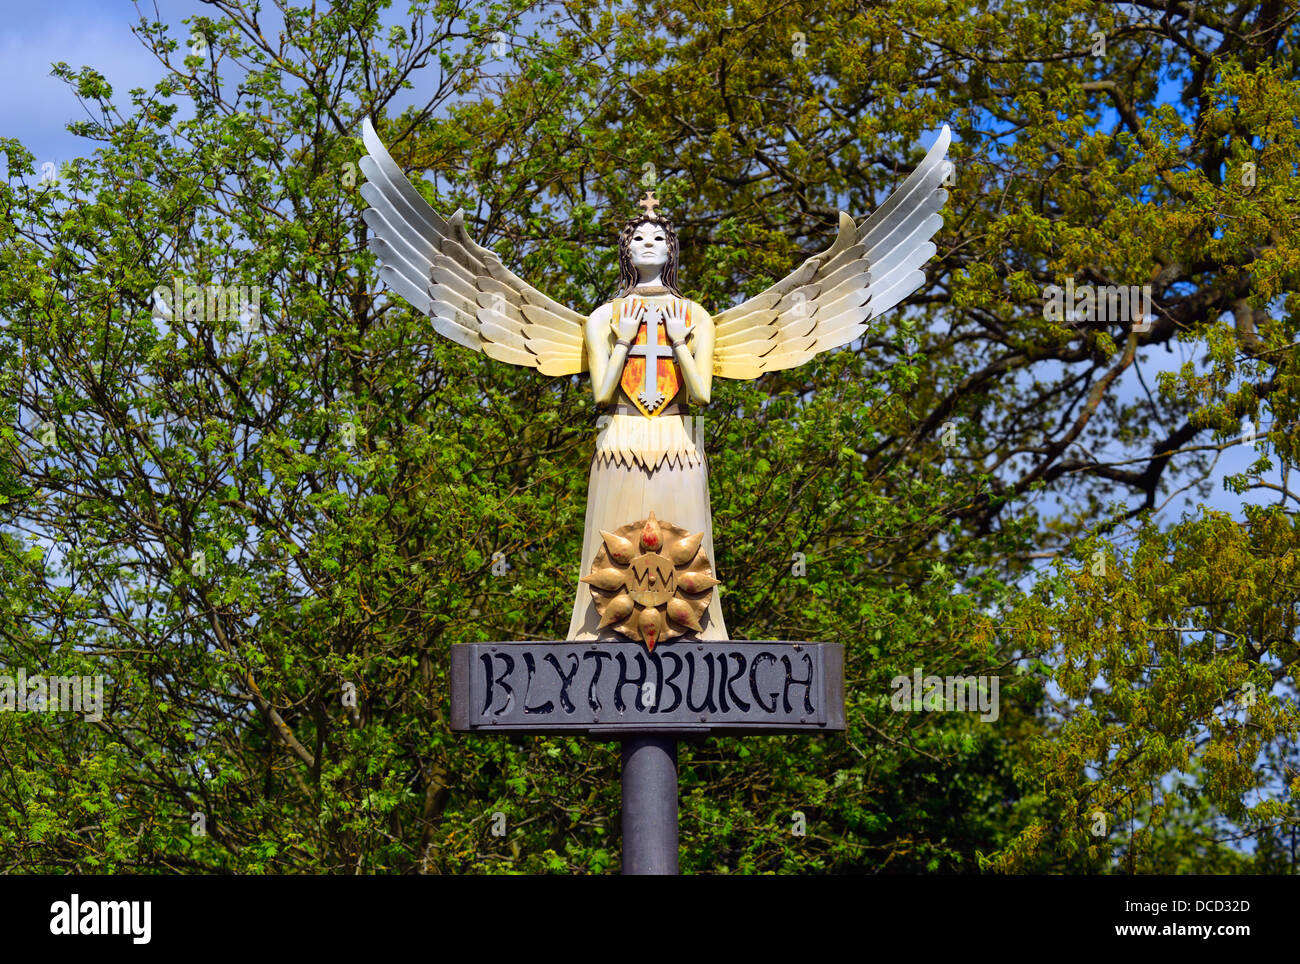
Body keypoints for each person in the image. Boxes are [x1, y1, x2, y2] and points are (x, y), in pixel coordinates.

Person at [565, 203, 729, 640]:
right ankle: (597, 636)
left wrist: (678, 341)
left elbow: (701, 394)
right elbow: (602, 394)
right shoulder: (604, 317)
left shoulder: (696, 317)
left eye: (658, 237)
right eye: (639, 238)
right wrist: (622, 342)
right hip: (621, 433)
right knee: (610, 544)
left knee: (687, 543)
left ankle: (700, 637)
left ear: (672, 250)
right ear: (626, 251)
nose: (649, 243)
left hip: (678, 436)